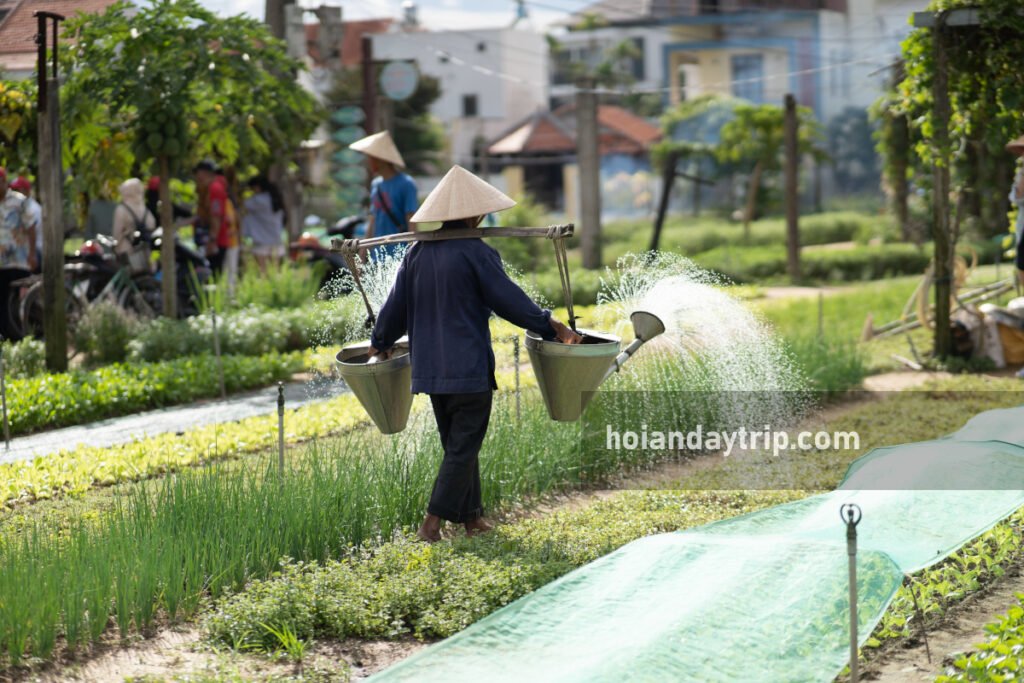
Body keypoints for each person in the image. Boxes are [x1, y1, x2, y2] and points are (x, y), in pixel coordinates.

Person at [367, 165, 581, 542]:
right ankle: (431, 524)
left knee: (458, 445)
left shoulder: (416, 253)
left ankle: (472, 519)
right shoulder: (476, 253)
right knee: (463, 447)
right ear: (471, 214)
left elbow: (394, 308)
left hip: (431, 370)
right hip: (467, 366)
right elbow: (510, 302)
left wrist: (380, 340)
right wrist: (552, 326)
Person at [348, 130, 418, 259]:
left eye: (370, 157)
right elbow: (373, 220)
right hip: (377, 256)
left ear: (380, 159)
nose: (368, 161)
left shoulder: (407, 184)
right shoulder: (376, 184)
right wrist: (363, 254)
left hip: (399, 255)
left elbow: (412, 222)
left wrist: (413, 256)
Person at [0, 167, 37, 339]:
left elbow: (31, 227)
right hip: (1, 262)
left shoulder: (19, 201)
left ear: (4, 182)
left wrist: (32, 253)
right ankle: (5, 336)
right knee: (2, 302)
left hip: (19, 260)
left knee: (20, 300)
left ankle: (25, 335)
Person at [194, 160, 239, 294]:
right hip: (219, 239)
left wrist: (212, 240)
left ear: (202, 173)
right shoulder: (215, 187)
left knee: (215, 277)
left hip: (218, 240)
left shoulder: (215, 188)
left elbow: (216, 216)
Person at [242, 175, 286, 272]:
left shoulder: (258, 200)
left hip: (262, 242)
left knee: (263, 273)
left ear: (257, 187)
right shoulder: (275, 198)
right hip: (276, 240)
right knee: (275, 272)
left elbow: (243, 206)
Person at [112, 178, 157, 261]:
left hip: (127, 253)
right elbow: (152, 226)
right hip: (145, 253)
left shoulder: (121, 209)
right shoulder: (145, 209)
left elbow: (117, 233)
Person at [10, 177, 41, 272]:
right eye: (13, 190)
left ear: (27, 191)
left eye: (18, 190)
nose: (14, 193)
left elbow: (29, 231)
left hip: (34, 252)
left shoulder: (32, 209)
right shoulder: (20, 207)